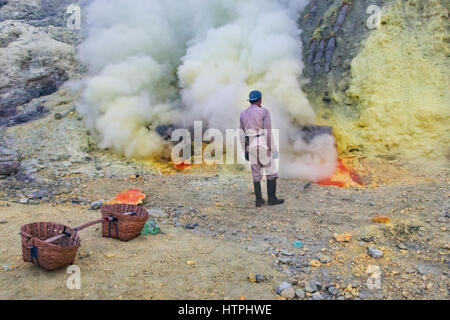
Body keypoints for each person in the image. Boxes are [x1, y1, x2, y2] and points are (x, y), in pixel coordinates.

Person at [240, 90, 284, 207]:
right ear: (260, 99)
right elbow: (268, 132)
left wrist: (245, 150)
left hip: (251, 145)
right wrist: (273, 149)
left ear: (250, 101)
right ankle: (272, 199)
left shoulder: (243, 114)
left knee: (256, 172)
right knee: (271, 173)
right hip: (262, 144)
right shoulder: (264, 111)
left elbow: (241, 134)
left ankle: (258, 200)